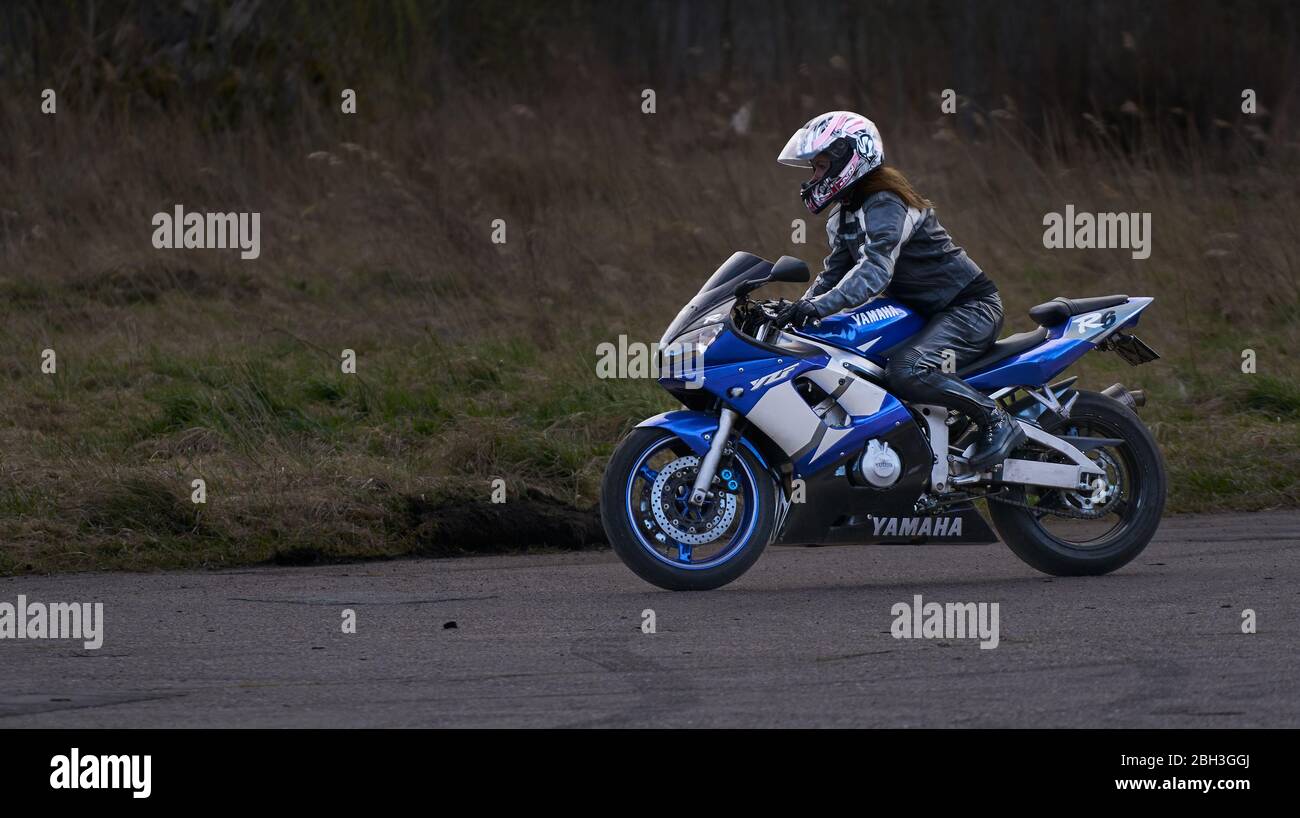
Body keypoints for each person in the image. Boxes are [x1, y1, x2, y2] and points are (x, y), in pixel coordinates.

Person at [774, 111, 1025, 468]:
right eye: (813, 168)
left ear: (850, 157)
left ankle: (996, 421)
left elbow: (875, 270)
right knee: (857, 360)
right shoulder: (845, 212)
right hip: (919, 312)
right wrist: (794, 312)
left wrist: (818, 308)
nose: (813, 177)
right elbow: (834, 273)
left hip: (968, 307)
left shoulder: (886, 201)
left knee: (906, 370)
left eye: (820, 166)